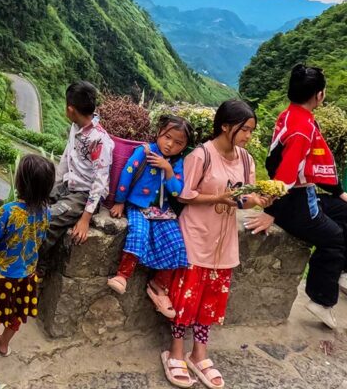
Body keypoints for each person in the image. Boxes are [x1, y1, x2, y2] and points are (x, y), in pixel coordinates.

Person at [162, 100, 273, 389]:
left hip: (224, 243)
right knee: (186, 297)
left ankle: (199, 353)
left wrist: (258, 200)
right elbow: (184, 195)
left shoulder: (247, 160)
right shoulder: (201, 155)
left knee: (212, 300)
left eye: (251, 130)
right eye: (245, 129)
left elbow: (243, 198)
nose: (249, 136)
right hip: (197, 235)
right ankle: (175, 350)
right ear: (225, 126)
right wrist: (218, 198)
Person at [261, 64, 347, 329]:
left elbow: (309, 166)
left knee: (344, 214)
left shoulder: (293, 115)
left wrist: (339, 192)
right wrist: (270, 212)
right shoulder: (302, 129)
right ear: (319, 95)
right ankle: (321, 301)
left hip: (302, 194)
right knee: (335, 239)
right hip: (292, 202)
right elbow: (286, 177)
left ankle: (342, 274)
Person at [108, 115, 194, 318]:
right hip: (137, 206)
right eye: (167, 137)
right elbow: (127, 174)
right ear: (159, 133)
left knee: (177, 243)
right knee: (138, 233)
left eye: (178, 143)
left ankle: (159, 285)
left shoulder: (177, 163)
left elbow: (176, 191)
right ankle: (122, 276)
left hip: (162, 211)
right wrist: (120, 201)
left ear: (184, 146)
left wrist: (168, 169)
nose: (170, 144)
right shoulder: (144, 152)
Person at [0, 154, 55, 365]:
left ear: (21, 182)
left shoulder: (8, 211)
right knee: (17, 312)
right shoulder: (46, 212)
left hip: (2, 275)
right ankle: (3, 343)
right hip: (28, 274)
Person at [36, 82, 114, 275]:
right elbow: (66, 157)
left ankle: (38, 267)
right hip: (66, 185)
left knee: (48, 218)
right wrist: (49, 189)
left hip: (83, 194)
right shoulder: (75, 126)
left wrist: (86, 218)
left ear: (70, 109)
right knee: (31, 204)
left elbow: (100, 181)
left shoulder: (99, 140)